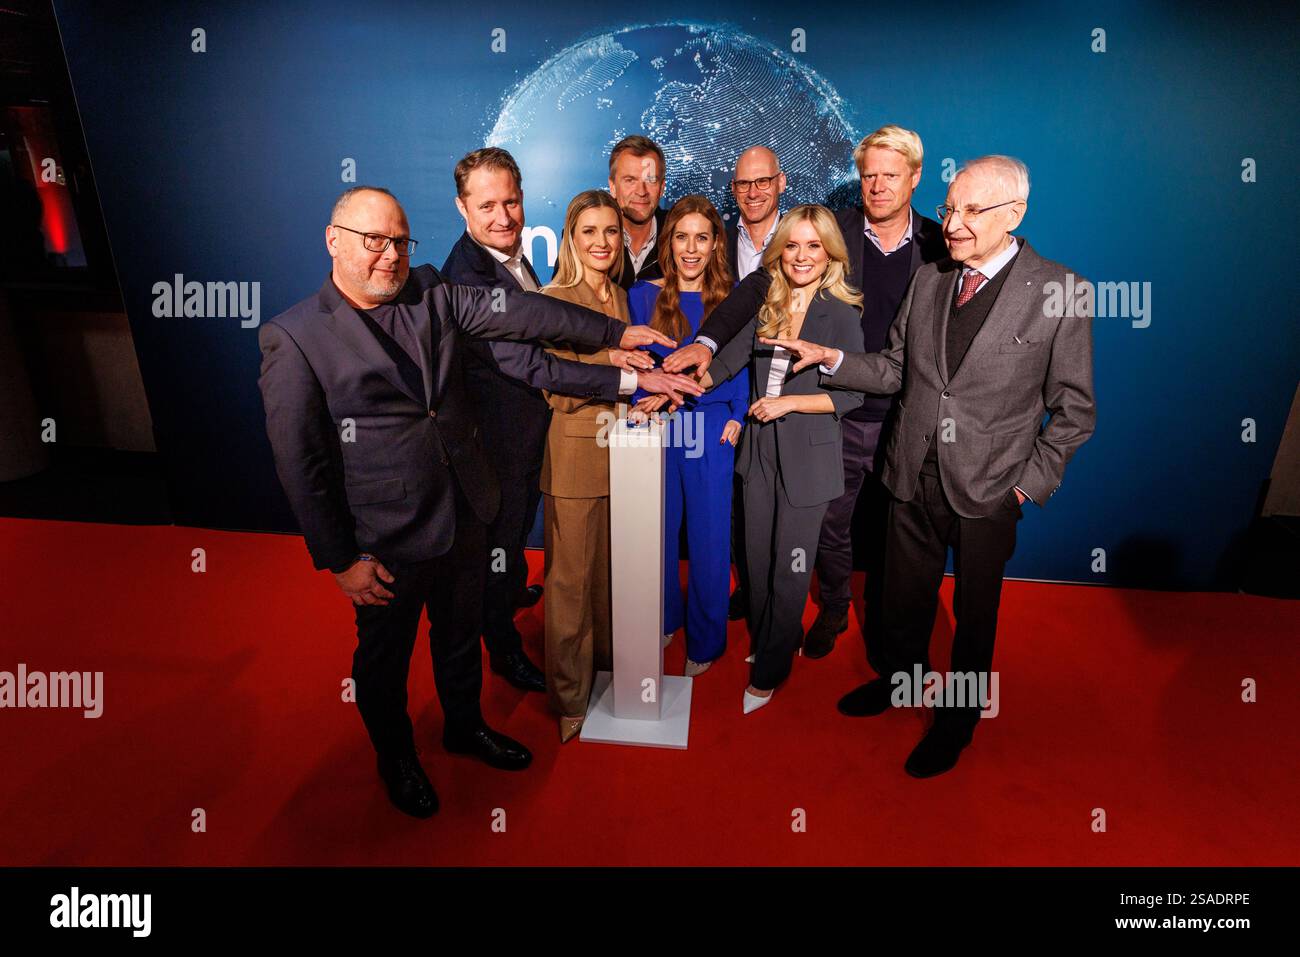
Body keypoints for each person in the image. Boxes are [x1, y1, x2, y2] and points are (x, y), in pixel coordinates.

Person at [257, 186, 676, 817]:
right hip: (386, 537)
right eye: (374, 241)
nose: (389, 256)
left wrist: (619, 333)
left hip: (465, 512)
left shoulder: (432, 292)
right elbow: (302, 464)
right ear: (333, 239)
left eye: (399, 241)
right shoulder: (294, 337)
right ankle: (396, 758)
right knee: (384, 661)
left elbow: (530, 316)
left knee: (458, 638)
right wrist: (340, 559)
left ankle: (464, 726)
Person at [764, 156, 1096, 776]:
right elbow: (893, 368)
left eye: (973, 211)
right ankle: (899, 683)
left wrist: (1026, 487)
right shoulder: (931, 280)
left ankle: (958, 722)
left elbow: (1075, 412)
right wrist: (830, 357)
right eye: (950, 209)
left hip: (991, 490)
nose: (955, 223)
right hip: (911, 471)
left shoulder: (1061, 291)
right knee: (903, 599)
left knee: (974, 618)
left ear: (1015, 214)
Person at [441, 148, 694, 694]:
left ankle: (520, 626)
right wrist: (626, 374)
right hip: (499, 450)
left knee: (542, 565)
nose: (504, 217)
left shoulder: (516, 262)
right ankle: (509, 656)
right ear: (462, 208)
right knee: (512, 561)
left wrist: (624, 354)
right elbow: (533, 365)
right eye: (487, 206)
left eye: (511, 201)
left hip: (543, 444)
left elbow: (550, 323)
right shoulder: (466, 277)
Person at [539, 190, 702, 742]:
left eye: (612, 231)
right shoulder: (554, 296)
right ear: (571, 236)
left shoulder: (618, 296)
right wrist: (620, 369)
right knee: (570, 585)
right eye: (589, 231)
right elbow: (556, 388)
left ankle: (605, 673)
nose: (603, 242)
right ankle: (567, 697)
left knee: (610, 581)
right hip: (576, 460)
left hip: (624, 461)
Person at [698, 204, 865, 713]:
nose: (801, 256)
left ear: (830, 252)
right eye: (792, 245)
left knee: (792, 570)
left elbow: (853, 394)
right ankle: (772, 635)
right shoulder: (767, 302)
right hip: (759, 450)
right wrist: (673, 385)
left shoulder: (840, 313)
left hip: (807, 456)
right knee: (757, 560)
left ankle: (771, 666)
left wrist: (788, 402)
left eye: (814, 246)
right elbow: (726, 364)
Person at [803, 125, 948, 660]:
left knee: (900, 534)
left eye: (890, 175)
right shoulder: (833, 234)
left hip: (908, 417)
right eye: (869, 176)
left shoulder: (941, 244)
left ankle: (893, 625)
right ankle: (837, 605)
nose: (878, 186)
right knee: (830, 521)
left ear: (914, 178)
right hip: (837, 410)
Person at [627, 195, 747, 676]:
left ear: (716, 242)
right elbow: (640, 366)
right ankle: (664, 618)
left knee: (709, 537)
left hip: (712, 425)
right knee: (657, 532)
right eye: (681, 237)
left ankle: (706, 637)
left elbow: (740, 361)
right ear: (668, 242)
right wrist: (640, 404)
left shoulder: (733, 297)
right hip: (659, 425)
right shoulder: (642, 295)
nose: (691, 249)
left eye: (702, 237)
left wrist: (738, 412)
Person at [723, 146, 786, 622]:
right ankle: (748, 584)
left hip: (787, 387)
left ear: (780, 183)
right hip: (727, 383)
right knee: (738, 496)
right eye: (744, 184)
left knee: (787, 493)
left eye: (762, 182)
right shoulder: (719, 239)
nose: (753, 192)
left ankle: (791, 592)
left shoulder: (803, 238)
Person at [608, 135, 668, 289]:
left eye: (651, 180)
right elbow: (563, 307)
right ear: (613, 186)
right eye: (630, 180)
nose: (641, 192)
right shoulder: (588, 237)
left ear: (661, 188)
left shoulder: (680, 234)